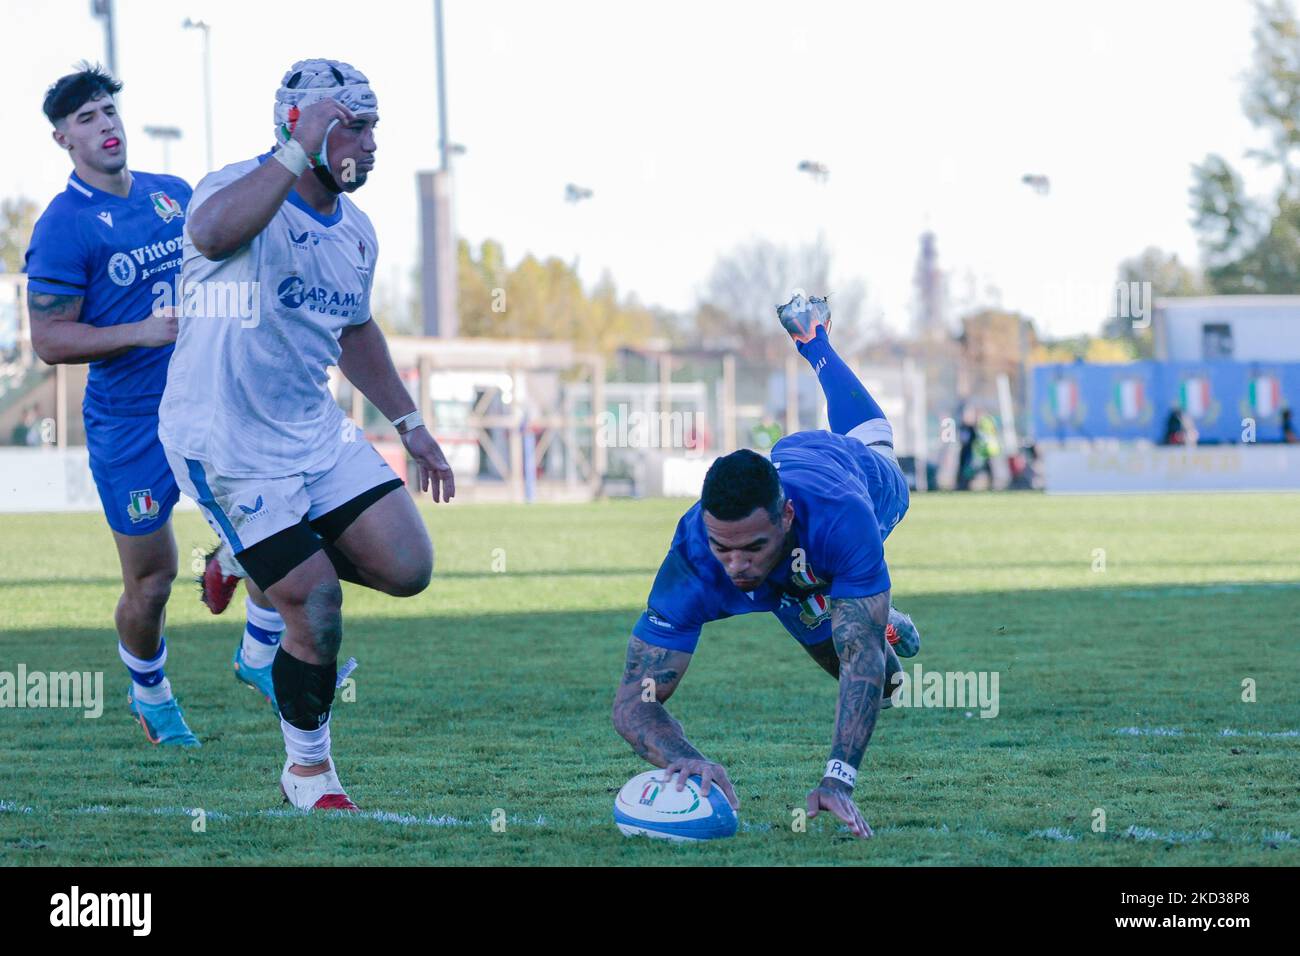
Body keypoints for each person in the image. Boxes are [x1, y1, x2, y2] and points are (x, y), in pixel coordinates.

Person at [158, 59, 455, 811]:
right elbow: (209, 231)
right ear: (304, 124)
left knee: (409, 565)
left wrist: (411, 424)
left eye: (375, 125)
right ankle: (309, 770)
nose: (372, 142)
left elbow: (354, 329)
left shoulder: (356, 231)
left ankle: (249, 554)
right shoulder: (234, 190)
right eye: (355, 124)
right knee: (315, 604)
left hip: (314, 435)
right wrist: (297, 151)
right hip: (224, 443)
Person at [612, 293, 921, 840]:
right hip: (795, 574)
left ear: (785, 517)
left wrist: (838, 779)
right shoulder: (692, 557)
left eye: (751, 548)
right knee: (891, 681)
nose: (735, 566)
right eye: (722, 547)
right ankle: (860, 605)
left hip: (857, 476)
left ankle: (815, 342)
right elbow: (633, 705)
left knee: (877, 443)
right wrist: (686, 757)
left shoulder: (842, 518)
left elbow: (860, 660)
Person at [24, 64, 200, 746]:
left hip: (204, 405)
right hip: (130, 425)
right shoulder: (64, 226)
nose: (107, 125)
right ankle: (150, 692)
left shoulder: (174, 196)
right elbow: (49, 340)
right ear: (63, 138)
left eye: (109, 111)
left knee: (283, 531)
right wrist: (143, 331)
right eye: (88, 119)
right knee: (153, 581)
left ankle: (268, 655)